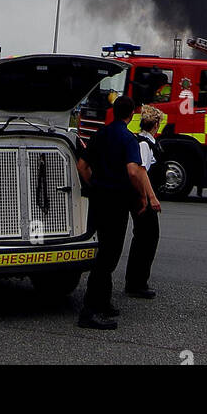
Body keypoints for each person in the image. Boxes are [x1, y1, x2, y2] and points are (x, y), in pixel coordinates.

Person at [78, 96, 150, 330]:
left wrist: (93, 185)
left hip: (98, 198)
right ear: (132, 114)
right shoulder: (128, 139)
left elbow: (82, 166)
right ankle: (89, 311)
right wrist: (141, 195)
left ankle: (104, 301)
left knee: (104, 249)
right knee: (108, 257)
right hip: (117, 201)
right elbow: (132, 171)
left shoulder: (99, 134)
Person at [124, 104, 163, 298]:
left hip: (142, 197)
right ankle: (136, 283)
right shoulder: (145, 144)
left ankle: (137, 280)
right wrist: (150, 197)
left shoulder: (143, 141)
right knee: (147, 237)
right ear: (155, 124)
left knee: (145, 236)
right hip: (143, 198)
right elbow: (141, 171)